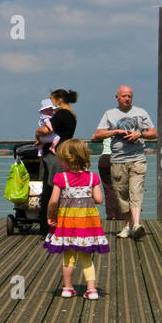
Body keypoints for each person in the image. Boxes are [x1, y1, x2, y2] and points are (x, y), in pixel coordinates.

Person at [43, 138, 109, 298]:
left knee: (68, 257)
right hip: (86, 224)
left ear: (66, 160)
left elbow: (53, 201)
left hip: (68, 224)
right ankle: (92, 289)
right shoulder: (93, 178)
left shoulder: (61, 178)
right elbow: (99, 199)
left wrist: (50, 215)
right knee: (87, 257)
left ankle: (67, 288)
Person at [93, 86, 157, 239]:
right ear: (117, 97)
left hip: (137, 158)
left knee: (136, 191)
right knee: (121, 194)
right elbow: (97, 135)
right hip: (117, 160)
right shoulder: (110, 114)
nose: (127, 98)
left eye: (130, 96)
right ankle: (128, 226)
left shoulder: (141, 113)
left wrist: (139, 134)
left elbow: (154, 133)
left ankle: (136, 224)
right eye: (124, 96)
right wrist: (116, 131)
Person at [38, 89, 78, 237]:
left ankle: (49, 227)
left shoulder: (61, 114)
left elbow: (46, 130)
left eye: (53, 100)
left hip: (55, 156)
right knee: (59, 190)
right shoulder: (71, 115)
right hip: (64, 154)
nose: (52, 104)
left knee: (52, 191)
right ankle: (60, 224)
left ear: (59, 100)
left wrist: (37, 132)